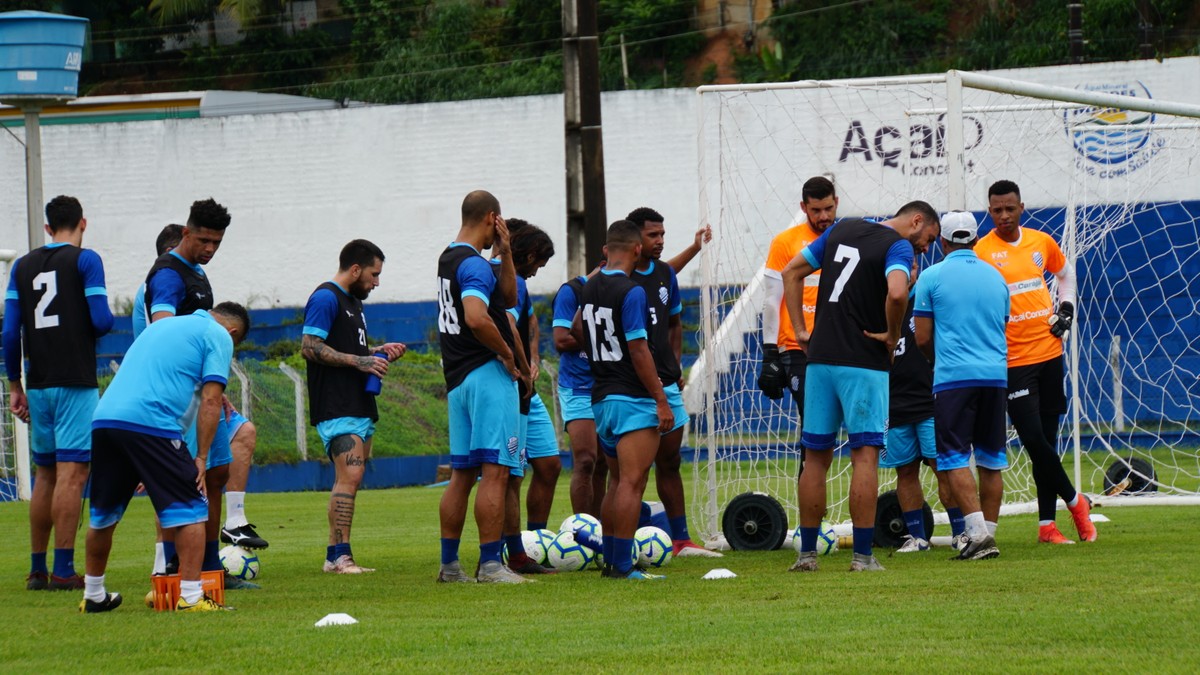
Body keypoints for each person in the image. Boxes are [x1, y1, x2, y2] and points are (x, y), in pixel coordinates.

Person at [782, 200, 940, 572]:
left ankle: (806, 557)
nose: (925, 247)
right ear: (916, 221)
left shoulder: (841, 229)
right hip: (864, 362)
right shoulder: (896, 245)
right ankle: (862, 557)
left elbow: (790, 272)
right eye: (928, 238)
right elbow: (898, 292)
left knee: (815, 459)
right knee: (864, 456)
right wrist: (892, 334)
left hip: (820, 360)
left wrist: (801, 332)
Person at [82, 301, 250, 613]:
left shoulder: (161, 326)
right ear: (233, 332)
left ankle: (93, 595)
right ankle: (190, 597)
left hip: (105, 420)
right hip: (153, 422)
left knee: (103, 516)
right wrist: (200, 456)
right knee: (193, 507)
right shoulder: (219, 335)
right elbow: (212, 400)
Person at [141, 200, 264, 588]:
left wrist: (214, 384)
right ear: (186, 234)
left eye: (218, 242)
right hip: (179, 399)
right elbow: (163, 332)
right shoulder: (166, 276)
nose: (211, 248)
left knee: (216, 474)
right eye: (205, 240)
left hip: (201, 394)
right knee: (188, 480)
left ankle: (212, 569)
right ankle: (179, 568)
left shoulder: (196, 273)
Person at [976, 180, 1096, 544]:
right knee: (1032, 441)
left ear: (1021, 207)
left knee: (1048, 439)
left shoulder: (1041, 242)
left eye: (1009, 208)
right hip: (1012, 361)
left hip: (1049, 353)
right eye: (996, 210)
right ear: (989, 211)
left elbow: (1066, 275)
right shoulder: (982, 251)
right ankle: (1076, 503)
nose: (1003, 215)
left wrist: (1067, 309)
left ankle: (1047, 525)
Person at [4, 196, 114, 591]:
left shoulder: (22, 265)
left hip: (38, 382)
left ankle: (36, 568)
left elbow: (8, 331)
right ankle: (64, 570)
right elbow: (101, 320)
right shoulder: (86, 260)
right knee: (73, 473)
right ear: (83, 223)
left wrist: (15, 384)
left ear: (48, 228)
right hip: (75, 382)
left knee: (45, 474)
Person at [435, 190, 526, 584]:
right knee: (495, 472)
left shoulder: (449, 257)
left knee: (461, 474)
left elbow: (505, 299)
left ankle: (450, 566)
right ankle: (491, 565)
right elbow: (476, 317)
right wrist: (507, 352)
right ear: (492, 217)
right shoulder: (472, 264)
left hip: (457, 380)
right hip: (486, 376)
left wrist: (505, 252)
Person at [301, 239, 406, 574]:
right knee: (351, 475)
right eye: (374, 274)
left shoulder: (353, 303)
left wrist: (375, 350)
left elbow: (347, 348)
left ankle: (334, 556)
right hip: (336, 404)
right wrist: (359, 361)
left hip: (359, 403)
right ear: (356, 268)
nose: (377, 282)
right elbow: (310, 346)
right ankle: (342, 556)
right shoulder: (325, 297)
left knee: (350, 479)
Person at [578, 220, 673, 580]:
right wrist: (660, 400)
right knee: (633, 483)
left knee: (617, 482)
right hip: (632, 397)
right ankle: (621, 565)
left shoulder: (588, 287)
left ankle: (612, 561)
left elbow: (575, 329)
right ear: (636, 249)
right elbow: (637, 348)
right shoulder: (632, 291)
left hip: (601, 398)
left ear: (606, 249)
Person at [914, 211, 1011, 560]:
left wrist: (936, 361)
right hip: (995, 376)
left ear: (943, 242)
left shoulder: (931, 276)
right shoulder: (996, 277)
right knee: (991, 459)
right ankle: (989, 536)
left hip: (954, 377)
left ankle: (977, 534)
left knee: (953, 456)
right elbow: (1002, 325)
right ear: (975, 239)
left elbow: (922, 337)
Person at [625, 206, 721, 558]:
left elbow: (675, 324)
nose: (660, 241)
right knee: (629, 469)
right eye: (653, 235)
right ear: (634, 239)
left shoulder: (665, 274)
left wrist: (676, 365)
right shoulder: (617, 277)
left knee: (670, 462)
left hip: (667, 382)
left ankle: (680, 540)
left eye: (663, 235)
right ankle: (620, 539)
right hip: (631, 388)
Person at [881, 258, 961, 553]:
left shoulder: (928, 298)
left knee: (944, 468)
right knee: (904, 471)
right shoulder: (879, 303)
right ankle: (917, 537)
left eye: (912, 266)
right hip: (893, 403)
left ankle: (960, 533)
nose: (909, 272)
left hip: (931, 400)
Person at [497, 219, 560, 575]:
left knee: (549, 464)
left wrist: (534, 359)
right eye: (540, 263)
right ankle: (513, 551)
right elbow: (507, 327)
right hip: (510, 385)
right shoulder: (506, 279)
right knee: (509, 474)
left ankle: (536, 541)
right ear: (530, 254)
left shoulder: (519, 284)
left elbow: (530, 324)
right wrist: (521, 365)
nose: (538, 272)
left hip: (528, 388)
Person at [758, 177, 838, 433]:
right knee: (814, 421)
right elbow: (772, 299)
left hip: (838, 343)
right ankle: (810, 472)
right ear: (803, 207)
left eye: (828, 208)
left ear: (836, 203)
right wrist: (770, 353)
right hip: (796, 346)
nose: (823, 216)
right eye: (816, 210)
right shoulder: (785, 242)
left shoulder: (846, 239)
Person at [552, 266, 608, 516]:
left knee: (605, 464)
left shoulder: (622, 291)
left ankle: (600, 533)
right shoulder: (572, 291)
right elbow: (562, 341)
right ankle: (582, 531)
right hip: (578, 385)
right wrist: (601, 337)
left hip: (609, 385)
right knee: (586, 460)